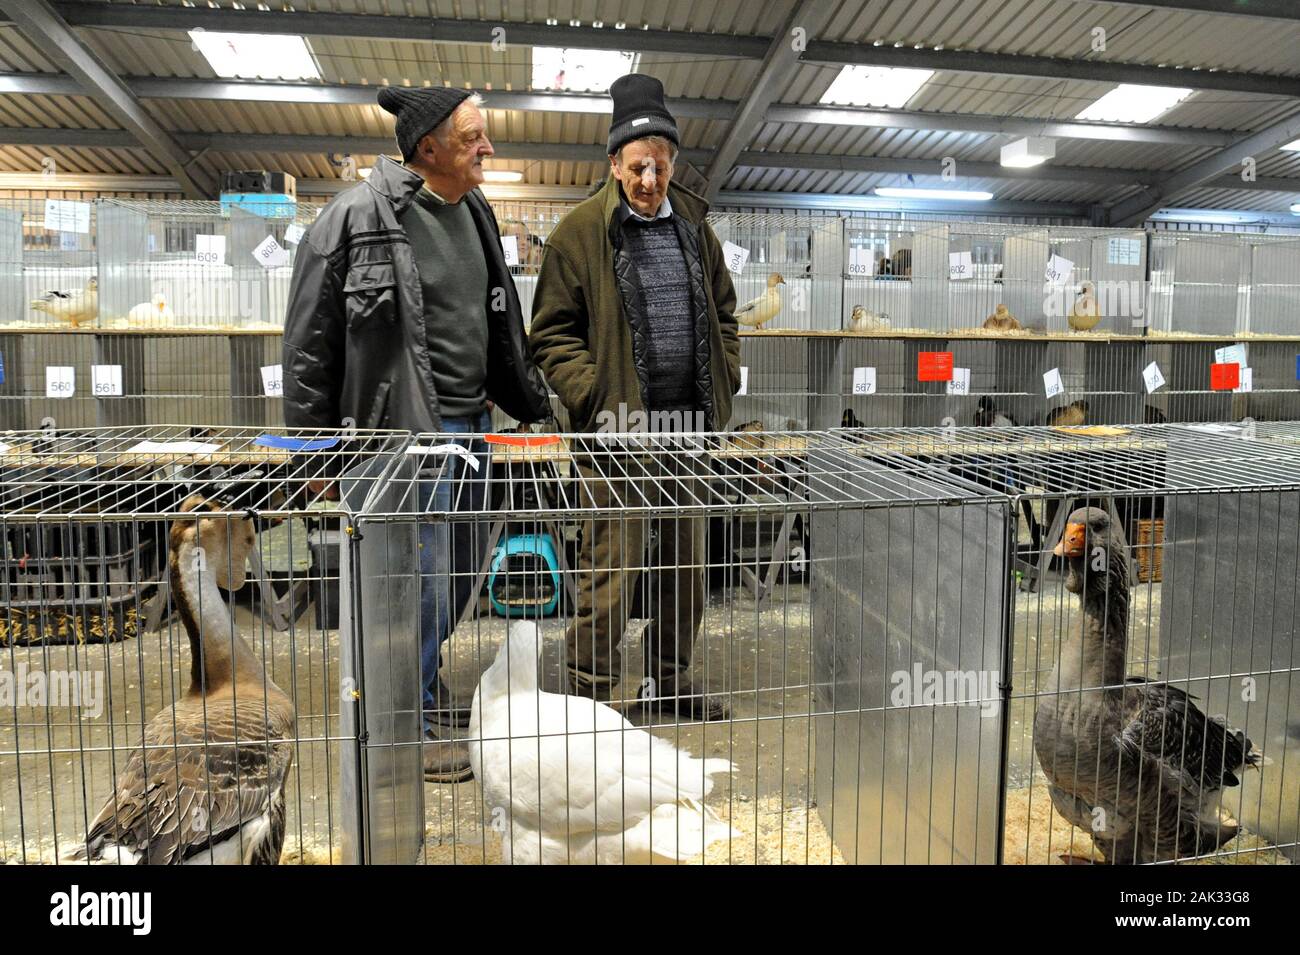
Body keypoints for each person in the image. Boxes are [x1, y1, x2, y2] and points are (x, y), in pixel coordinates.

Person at [282, 86, 550, 781]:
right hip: (400, 436)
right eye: (472, 140)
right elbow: (309, 342)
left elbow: (493, 315)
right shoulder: (355, 217)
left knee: (457, 572)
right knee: (416, 580)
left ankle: (419, 688)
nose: (487, 149)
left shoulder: (478, 212)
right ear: (427, 148)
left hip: (472, 428)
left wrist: (516, 386)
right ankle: (409, 720)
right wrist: (314, 448)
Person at [529, 73, 741, 721]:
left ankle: (669, 680)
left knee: (685, 570)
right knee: (609, 575)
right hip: (615, 432)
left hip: (687, 429)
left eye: (661, 165)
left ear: (673, 163)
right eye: (637, 166)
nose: (650, 180)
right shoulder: (576, 235)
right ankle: (592, 692)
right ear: (614, 166)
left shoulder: (696, 232)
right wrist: (592, 397)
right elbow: (550, 333)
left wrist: (723, 379)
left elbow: (725, 312)